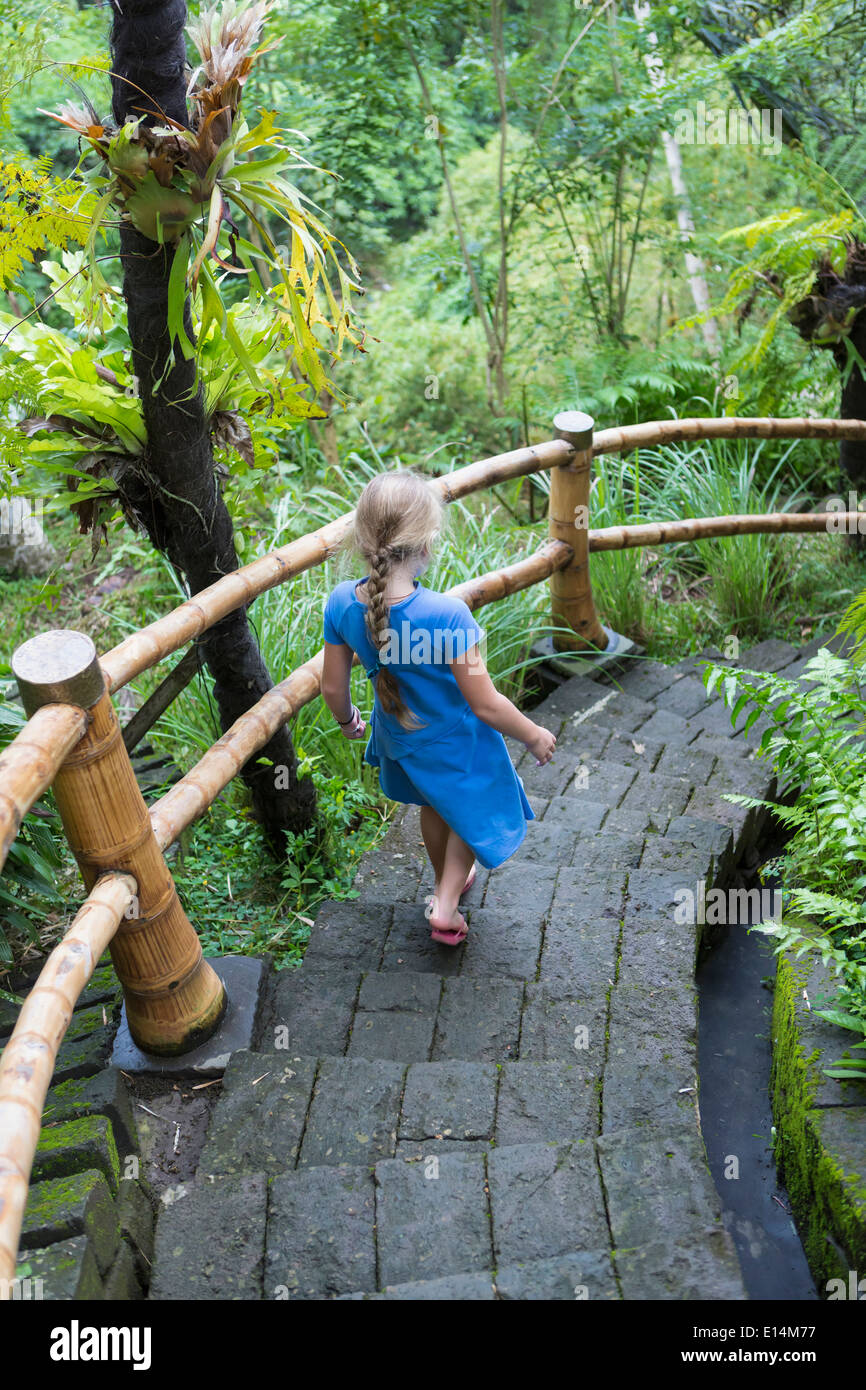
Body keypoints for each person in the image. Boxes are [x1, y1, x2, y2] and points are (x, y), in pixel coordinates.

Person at [320, 469, 556, 946]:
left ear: (362, 538)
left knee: (435, 804)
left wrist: (347, 721)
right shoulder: (446, 614)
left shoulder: (342, 603)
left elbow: (331, 686)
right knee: (474, 807)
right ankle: (445, 906)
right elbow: (486, 706)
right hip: (458, 741)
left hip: (399, 738)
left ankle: (447, 883)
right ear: (426, 543)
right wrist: (532, 733)